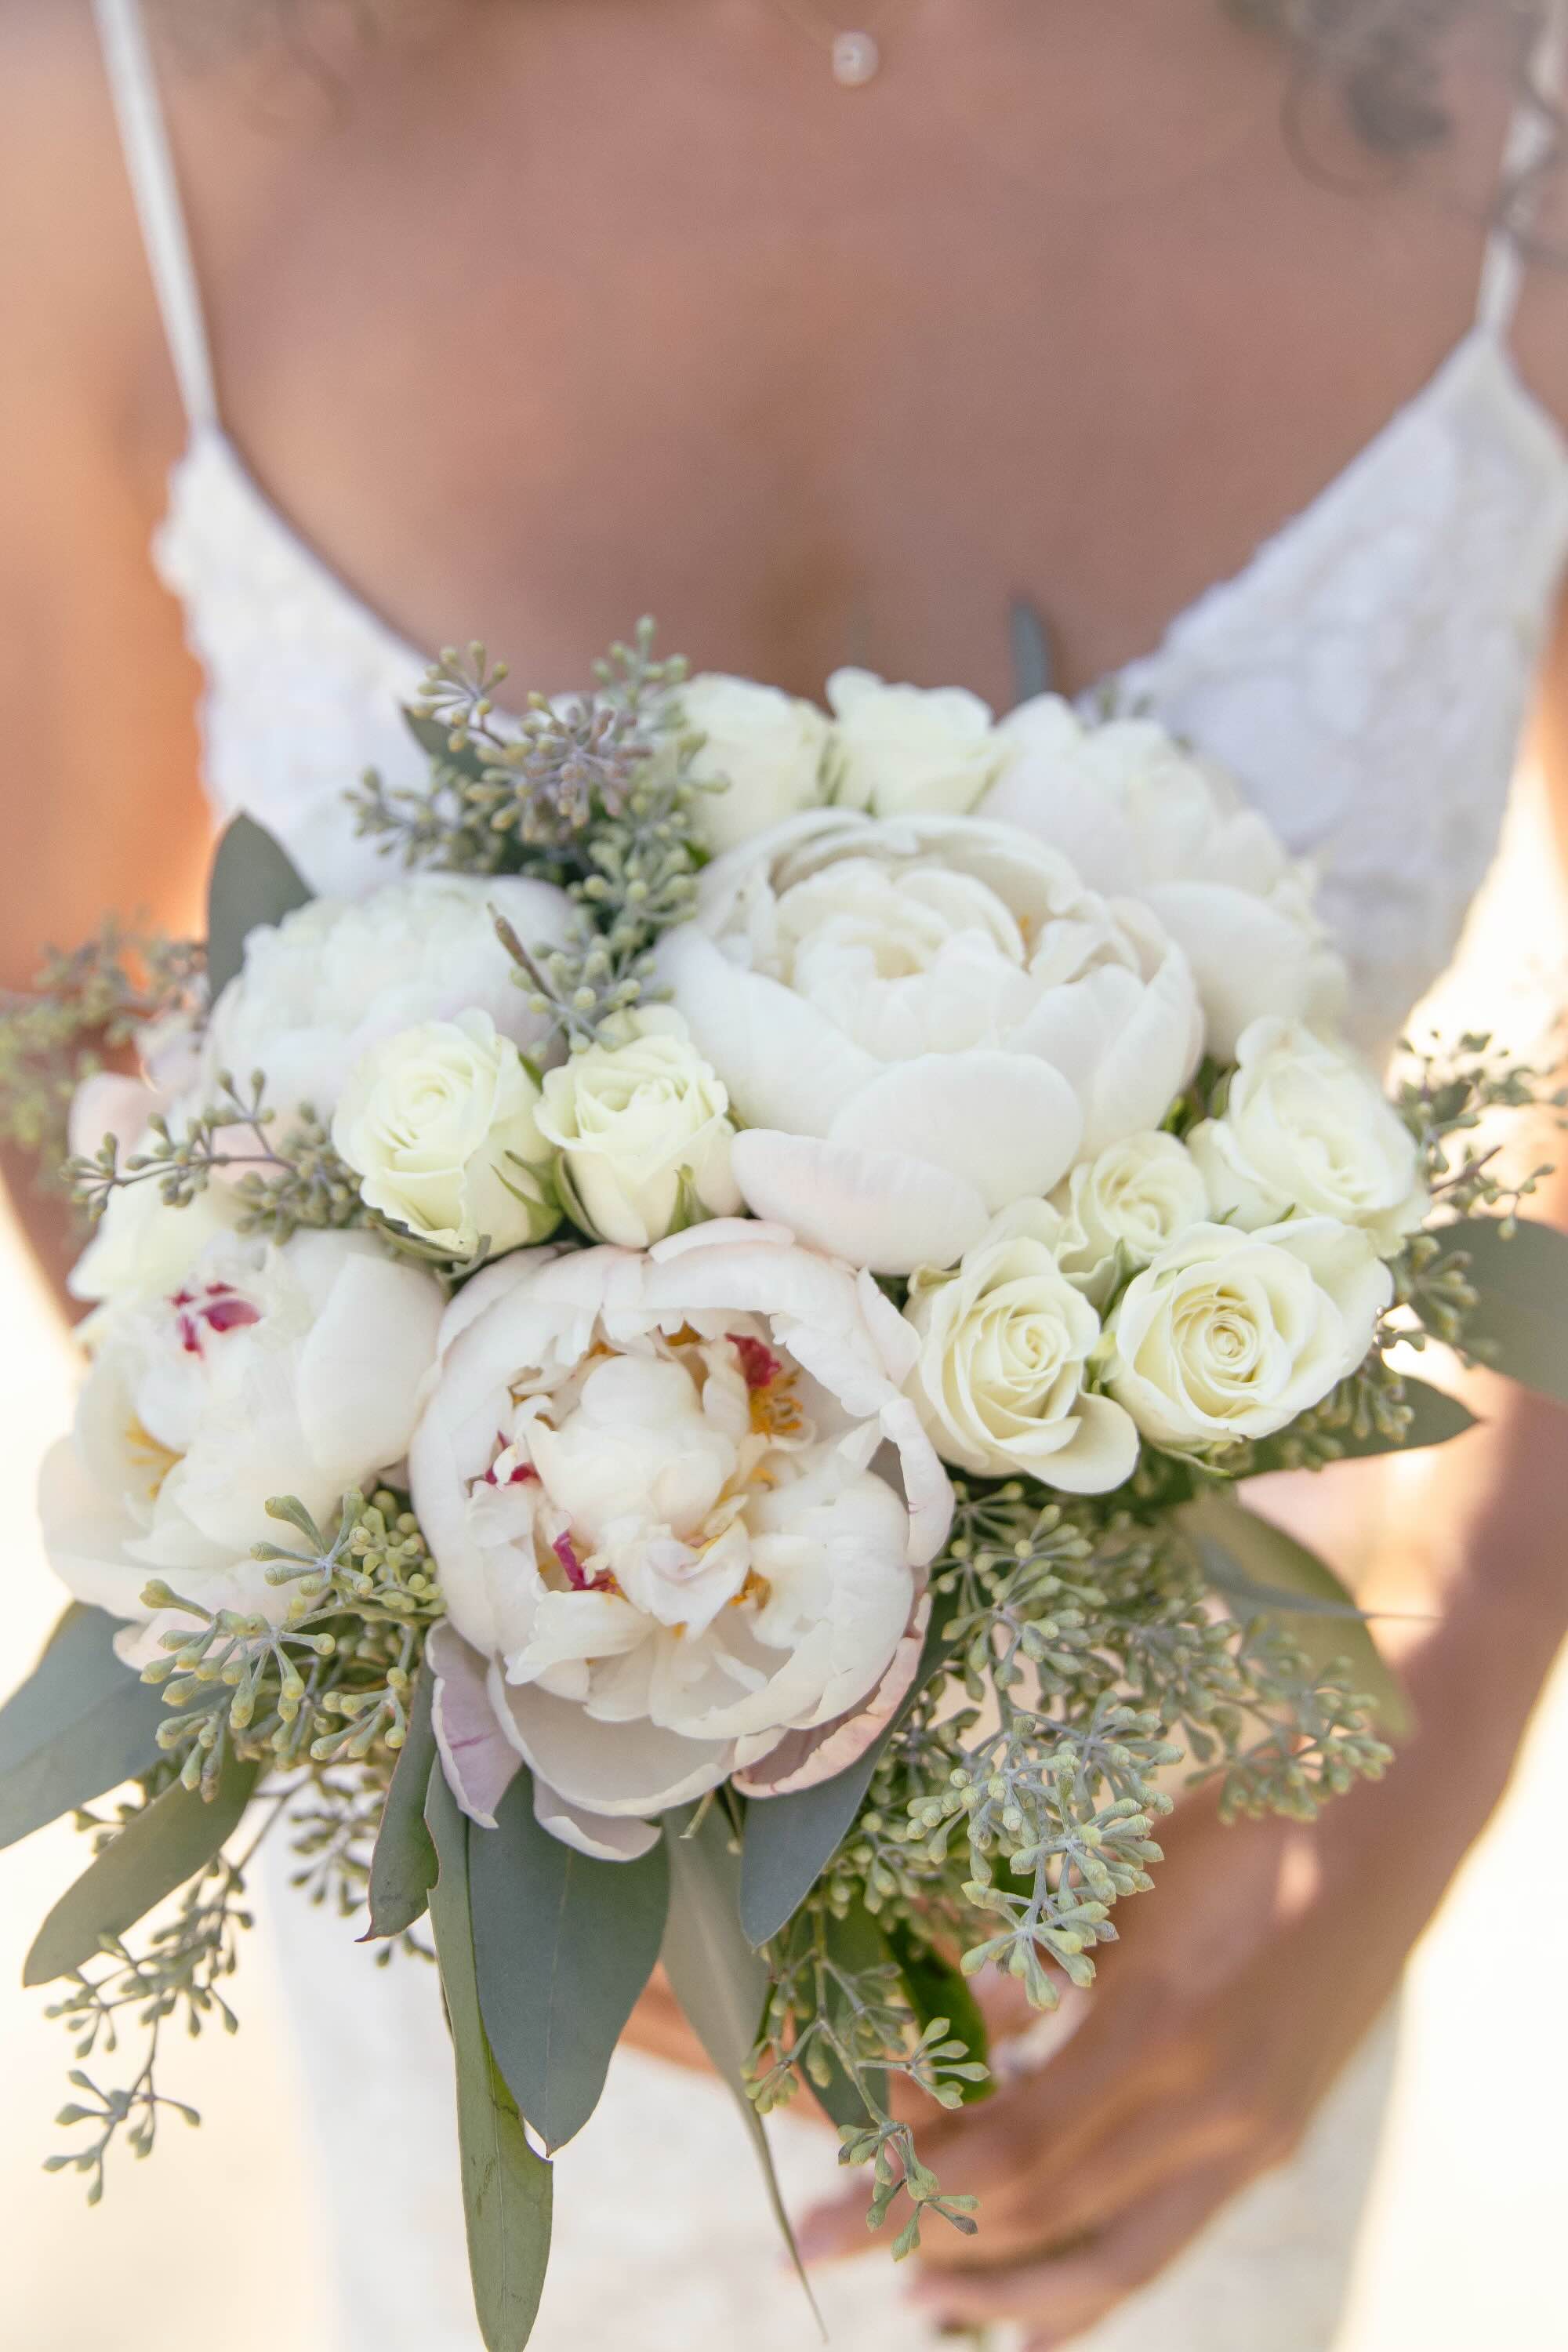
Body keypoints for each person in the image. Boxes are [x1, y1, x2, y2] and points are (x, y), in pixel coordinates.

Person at [3, 2, 1567, 2346]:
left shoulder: (1511, 103)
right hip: (513, 1955)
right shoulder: (112, 119)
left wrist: (1382, 1839)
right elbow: (68, 1032)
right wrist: (426, 1679)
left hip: (1197, 1936)